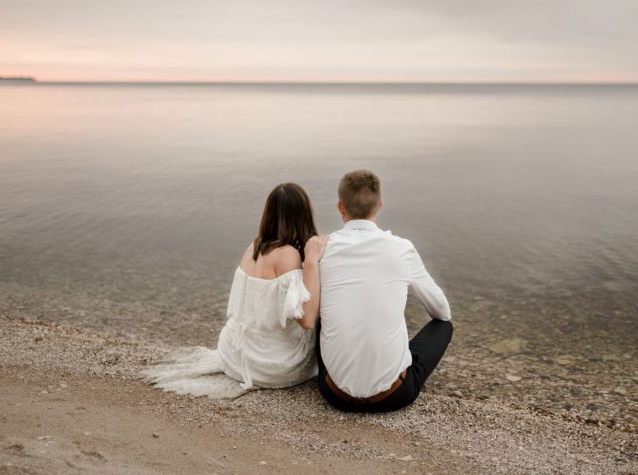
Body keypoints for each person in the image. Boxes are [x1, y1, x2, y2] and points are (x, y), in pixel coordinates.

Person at [140, 183, 327, 399]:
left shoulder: (254, 248)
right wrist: (312, 262)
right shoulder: (288, 254)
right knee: (322, 314)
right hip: (272, 366)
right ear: (303, 215)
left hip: (233, 355)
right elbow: (307, 321)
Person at [316, 170, 453, 412]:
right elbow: (441, 311)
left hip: (333, 394)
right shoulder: (402, 249)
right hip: (393, 396)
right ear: (380, 206)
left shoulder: (322, 248)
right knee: (444, 325)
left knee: (321, 317)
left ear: (340, 206)